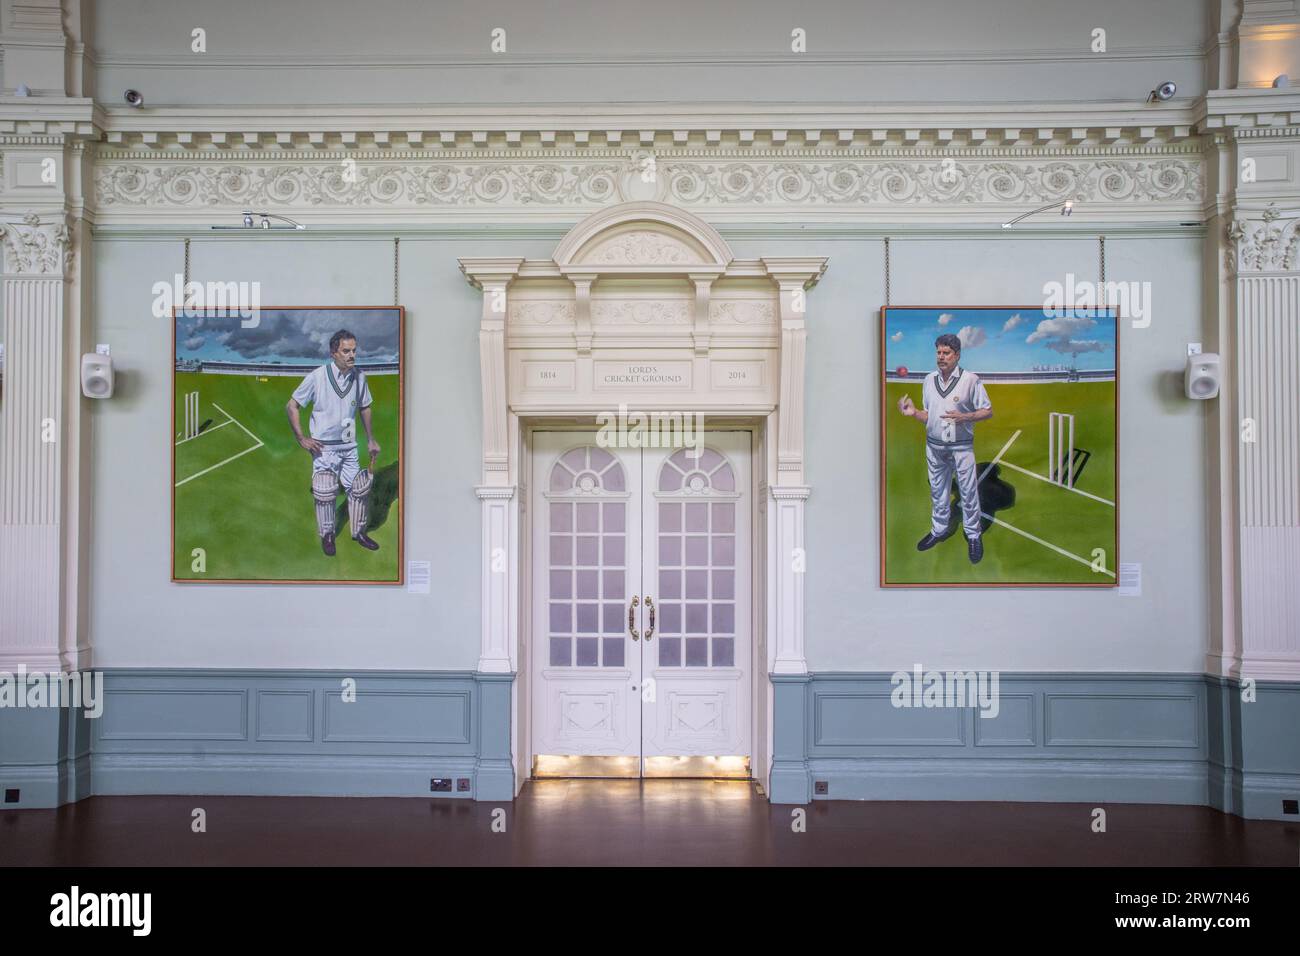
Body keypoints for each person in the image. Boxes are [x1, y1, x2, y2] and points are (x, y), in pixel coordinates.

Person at [896, 333, 992, 564]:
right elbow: (929, 415)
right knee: (938, 493)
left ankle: (973, 534)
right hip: (935, 447)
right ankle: (938, 530)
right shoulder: (929, 380)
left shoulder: (971, 380)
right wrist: (914, 413)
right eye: (938, 352)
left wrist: (965, 416)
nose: (941, 356)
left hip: (961, 448)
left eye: (946, 352)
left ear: (957, 355)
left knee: (968, 493)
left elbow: (987, 410)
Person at [285, 329, 381, 556]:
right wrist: (302, 439)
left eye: (354, 350)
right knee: (325, 491)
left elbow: (364, 407)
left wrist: (370, 438)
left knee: (359, 490)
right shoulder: (317, 376)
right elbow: (292, 406)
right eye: (346, 351)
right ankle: (327, 534)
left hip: (349, 447)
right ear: (333, 353)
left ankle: (359, 532)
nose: (352, 355)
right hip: (323, 447)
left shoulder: (360, 376)